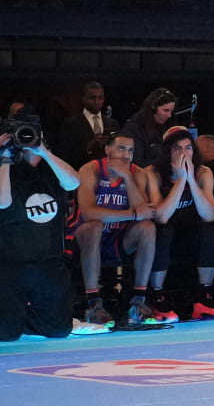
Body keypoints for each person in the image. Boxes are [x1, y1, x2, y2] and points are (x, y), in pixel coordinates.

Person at [0, 116, 84, 340]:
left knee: (59, 330)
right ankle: (13, 320)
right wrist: (5, 158)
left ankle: (24, 320)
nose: (25, 138)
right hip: (11, 265)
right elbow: (2, 202)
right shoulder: (7, 168)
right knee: (7, 334)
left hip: (49, 264)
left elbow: (74, 183)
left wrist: (44, 152)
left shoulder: (51, 168)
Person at [74, 131, 165, 330]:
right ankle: (94, 305)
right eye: (121, 148)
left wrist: (127, 177)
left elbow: (143, 212)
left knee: (148, 228)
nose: (126, 155)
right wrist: (131, 214)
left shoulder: (137, 173)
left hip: (117, 239)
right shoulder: (90, 170)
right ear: (107, 150)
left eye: (130, 151)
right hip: (85, 238)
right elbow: (89, 213)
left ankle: (138, 302)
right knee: (95, 226)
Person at [147, 127, 214, 320]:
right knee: (162, 231)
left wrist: (190, 178)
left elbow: (209, 214)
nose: (184, 153)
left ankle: (204, 298)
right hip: (163, 234)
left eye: (188, 148)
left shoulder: (203, 172)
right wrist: (180, 182)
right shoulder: (153, 172)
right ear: (167, 151)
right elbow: (161, 216)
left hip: (190, 233)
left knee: (210, 229)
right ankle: (157, 297)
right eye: (177, 148)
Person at [122, 88, 178, 174]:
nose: (169, 115)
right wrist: (166, 163)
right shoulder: (134, 129)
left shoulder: (167, 125)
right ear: (153, 107)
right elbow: (137, 164)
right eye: (165, 110)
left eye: (171, 111)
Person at [56, 81, 109, 168]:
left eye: (100, 97)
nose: (97, 101)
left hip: (107, 176)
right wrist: (88, 147)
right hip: (80, 174)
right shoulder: (70, 124)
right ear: (83, 98)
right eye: (92, 98)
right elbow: (63, 156)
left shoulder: (112, 124)